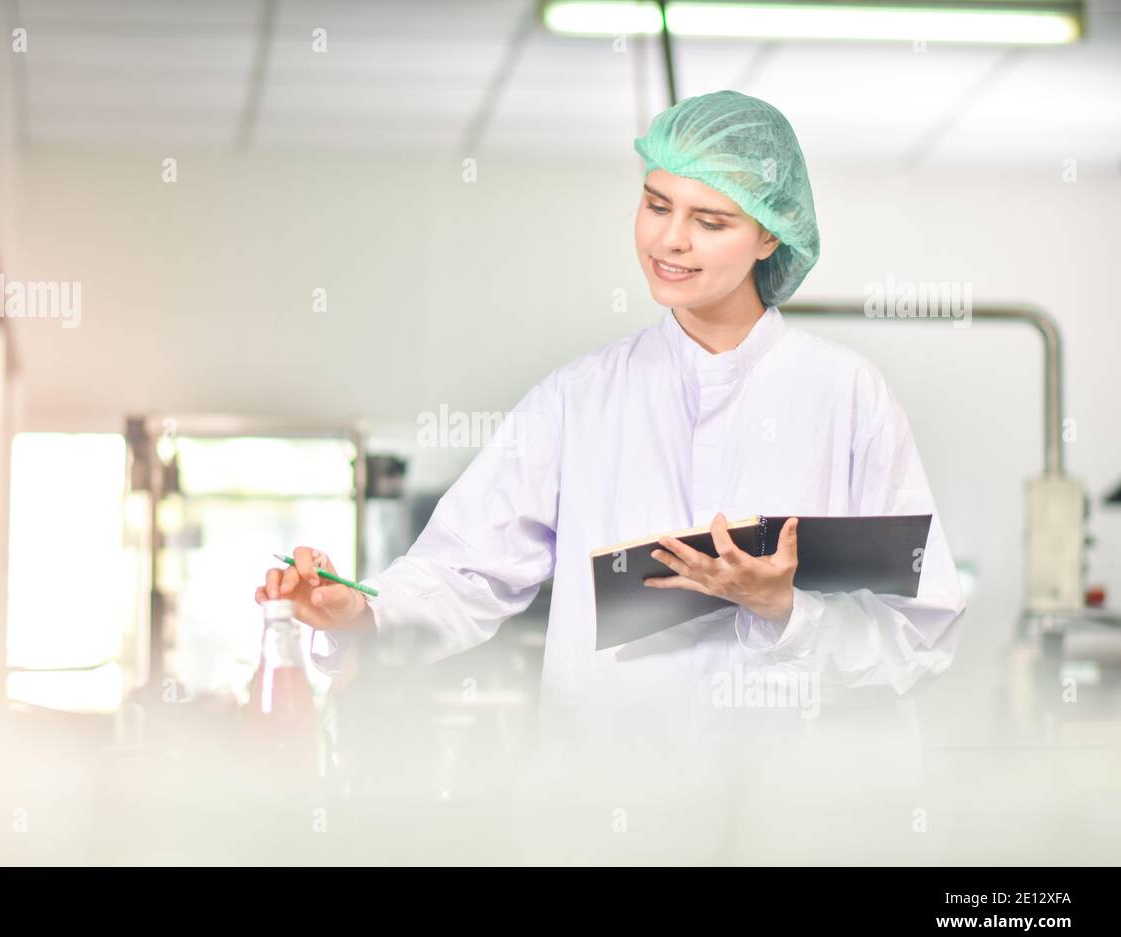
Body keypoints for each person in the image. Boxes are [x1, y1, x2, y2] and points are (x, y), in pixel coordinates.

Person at [257, 91, 967, 798]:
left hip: (797, 816)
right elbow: (463, 569)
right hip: (610, 812)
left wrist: (786, 612)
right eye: (656, 205)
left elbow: (924, 630)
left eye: (709, 220)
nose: (670, 241)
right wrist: (366, 612)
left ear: (771, 234)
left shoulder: (846, 395)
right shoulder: (579, 398)